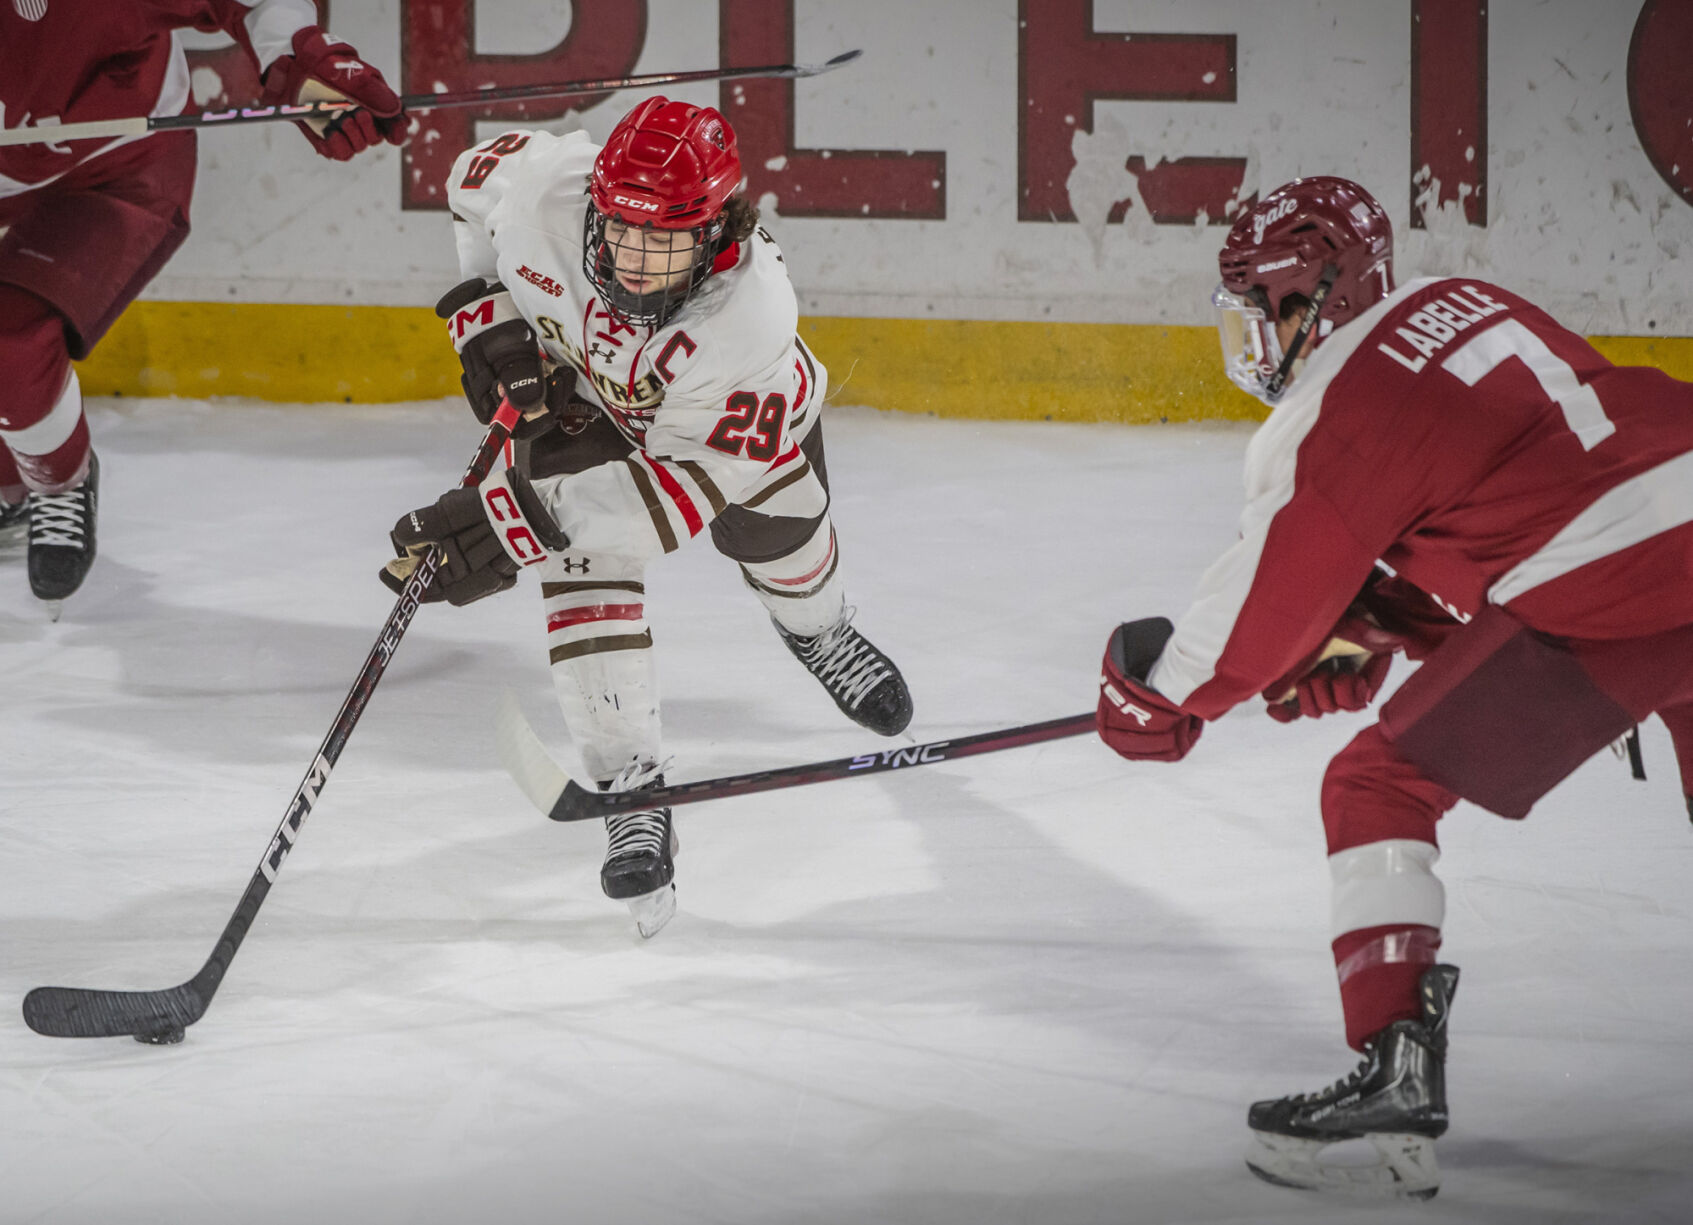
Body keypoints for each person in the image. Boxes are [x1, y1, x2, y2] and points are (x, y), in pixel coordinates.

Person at [1092, 175, 1693, 1199]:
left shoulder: (1333, 405)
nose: (1254, 338)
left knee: (1374, 784)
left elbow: (1248, 626)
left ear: (1308, 295)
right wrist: (1385, 616)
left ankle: (1394, 1065)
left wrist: (1155, 699)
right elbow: (1531, 485)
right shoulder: (1464, 300)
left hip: (1615, 580)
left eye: (1260, 308)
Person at [383, 98, 913, 938]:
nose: (632, 262)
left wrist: (508, 527)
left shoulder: (749, 319)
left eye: (663, 243)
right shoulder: (543, 192)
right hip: (584, 401)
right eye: (620, 231)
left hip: (716, 440)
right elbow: (466, 184)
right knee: (580, 570)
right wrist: (487, 316)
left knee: (778, 529)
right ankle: (631, 785)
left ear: (717, 233)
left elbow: (673, 496)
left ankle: (819, 630)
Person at [0, 0, 406, 613]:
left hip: (114, 162)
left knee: (11, 346)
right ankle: (8, 483)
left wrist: (296, 56)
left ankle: (58, 483)